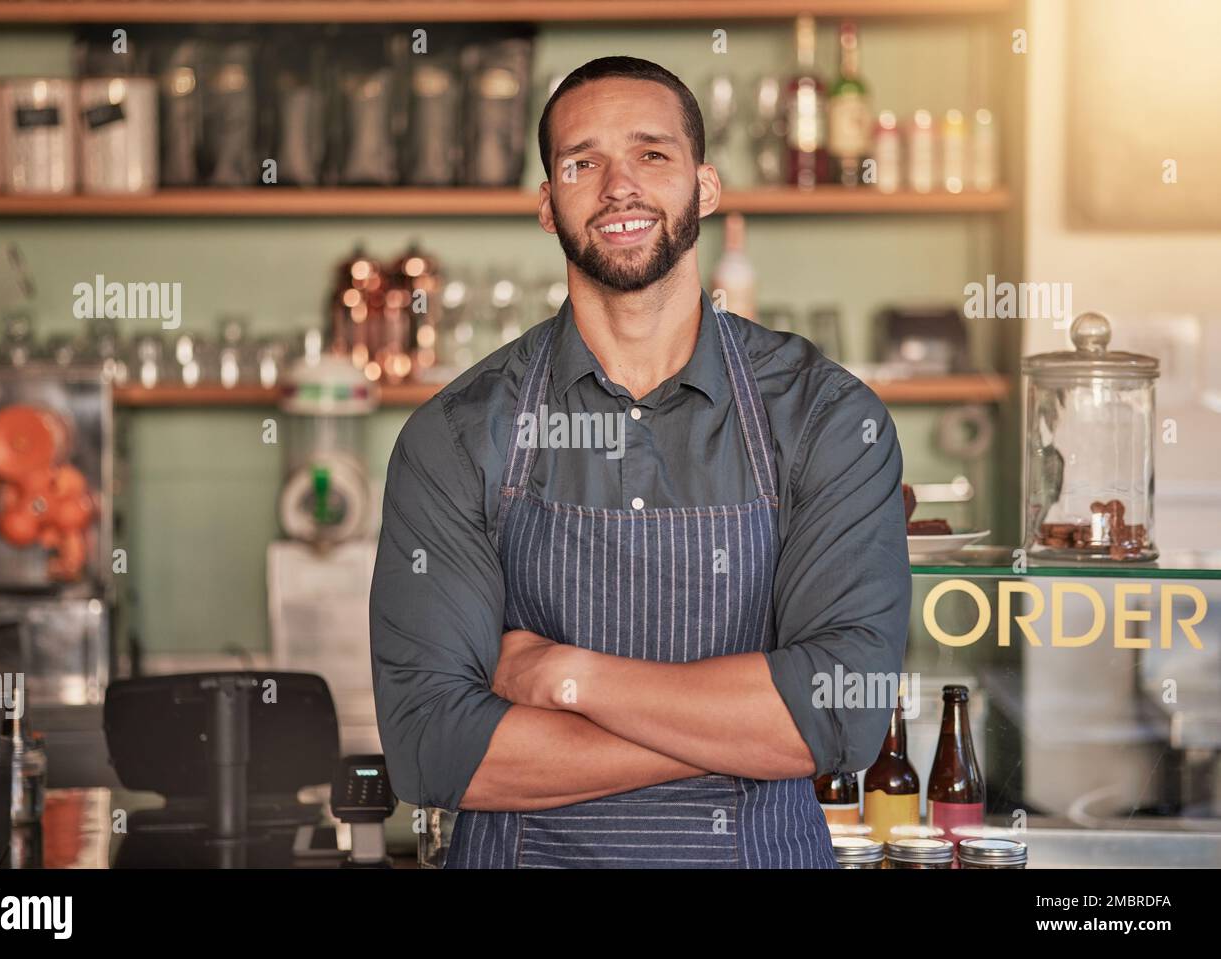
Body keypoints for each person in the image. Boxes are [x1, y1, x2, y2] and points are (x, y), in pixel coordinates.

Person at [370, 56, 910, 868]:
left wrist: (564, 675)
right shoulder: (455, 435)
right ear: (549, 207)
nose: (619, 186)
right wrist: (751, 729)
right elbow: (431, 750)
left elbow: (841, 714)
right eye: (581, 163)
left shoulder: (828, 418)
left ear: (707, 185)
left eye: (651, 154)